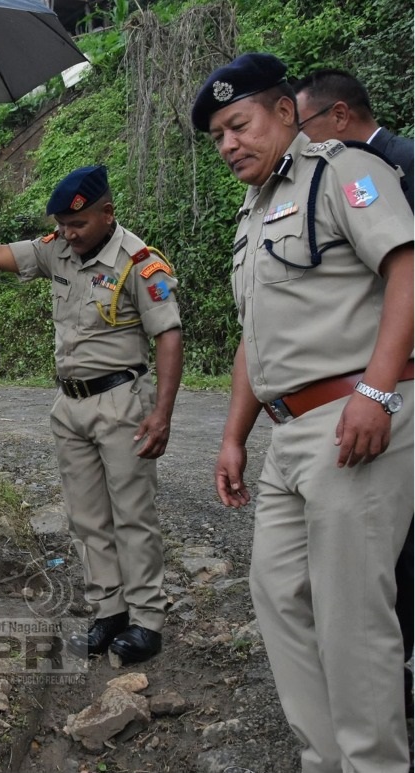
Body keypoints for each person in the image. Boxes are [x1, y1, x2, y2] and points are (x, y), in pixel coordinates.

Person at [194, 52, 413, 772]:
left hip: (355, 420)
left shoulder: (343, 173)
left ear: (284, 112)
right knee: (277, 593)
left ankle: (374, 764)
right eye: (218, 136)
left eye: (238, 124)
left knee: (352, 615)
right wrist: (232, 434)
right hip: (289, 433)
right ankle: (324, 759)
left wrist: (376, 392)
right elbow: (254, 338)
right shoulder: (250, 214)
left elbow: (406, 269)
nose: (228, 144)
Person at [0, 166, 184, 665]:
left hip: (120, 404)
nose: (69, 235)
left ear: (106, 214)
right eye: (62, 226)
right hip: (68, 405)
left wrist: (161, 413)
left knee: (133, 515)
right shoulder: (58, 250)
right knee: (87, 517)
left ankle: (147, 620)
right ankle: (108, 611)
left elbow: (169, 337)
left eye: (78, 225)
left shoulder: (139, 263)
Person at [294, 66, 415, 711]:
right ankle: (386, 683)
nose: (299, 141)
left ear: (338, 117)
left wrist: (379, 388)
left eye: (303, 125)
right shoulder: (332, 179)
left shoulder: (390, 168)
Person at [294, 68, 413, 207]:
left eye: (300, 129)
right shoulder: (342, 174)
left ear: (339, 116)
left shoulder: (409, 161)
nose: (299, 141)